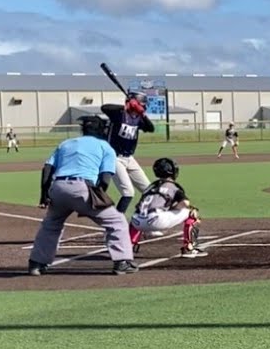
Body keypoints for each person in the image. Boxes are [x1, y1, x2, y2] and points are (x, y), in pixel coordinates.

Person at [28, 115, 137, 276]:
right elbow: (105, 177)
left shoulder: (66, 143)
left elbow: (47, 169)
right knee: (117, 221)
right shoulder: (105, 146)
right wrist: (97, 198)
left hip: (58, 188)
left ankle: (36, 264)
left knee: (51, 224)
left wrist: (44, 195)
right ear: (102, 130)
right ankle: (122, 262)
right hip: (82, 188)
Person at [129, 157, 207, 259]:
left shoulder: (151, 186)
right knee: (192, 212)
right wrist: (173, 207)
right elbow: (185, 203)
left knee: (137, 215)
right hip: (156, 220)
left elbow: (140, 205)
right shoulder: (172, 186)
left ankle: (128, 246)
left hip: (137, 222)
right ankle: (188, 248)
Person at [101, 91, 155, 213]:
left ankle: (144, 220)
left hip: (129, 158)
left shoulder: (138, 118)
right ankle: (115, 226)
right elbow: (104, 108)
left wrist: (142, 114)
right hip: (114, 158)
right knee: (128, 192)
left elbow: (151, 128)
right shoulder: (119, 114)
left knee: (149, 190)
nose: (143, 107)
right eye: (141, 105)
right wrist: (126, 106)